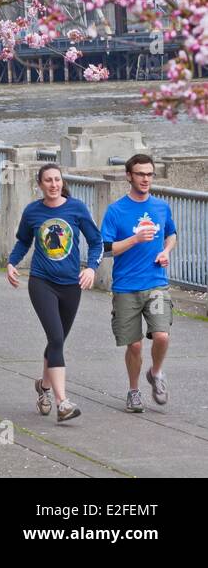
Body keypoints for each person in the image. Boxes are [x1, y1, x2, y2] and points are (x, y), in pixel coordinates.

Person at [7, 163, 101, 423]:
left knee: (55, 343)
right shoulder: (33, 211)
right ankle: (63, 403)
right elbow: (23, 241)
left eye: (57, 180)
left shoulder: (77, 209)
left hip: (72, 285)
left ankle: (44, 388)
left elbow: (96, 242)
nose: (53, 184)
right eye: (48, 180)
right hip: (42, 282)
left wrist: (91, 268)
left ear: (62, 182)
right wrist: (11, 262)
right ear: (40, 184)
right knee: (56, 338)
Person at [100, 154, 177, 413]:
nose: (146, 179)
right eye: (141, 174)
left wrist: (166, 251)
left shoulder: (161, 207)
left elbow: (172, 234)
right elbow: (106, 248)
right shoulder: (116, 210)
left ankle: (155, 373)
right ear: (129, 176)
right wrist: (135, 239)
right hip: (126, 286)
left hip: (156, 282)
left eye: (149, 174)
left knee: (162, 336)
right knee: (133, 344)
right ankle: (133, 391)